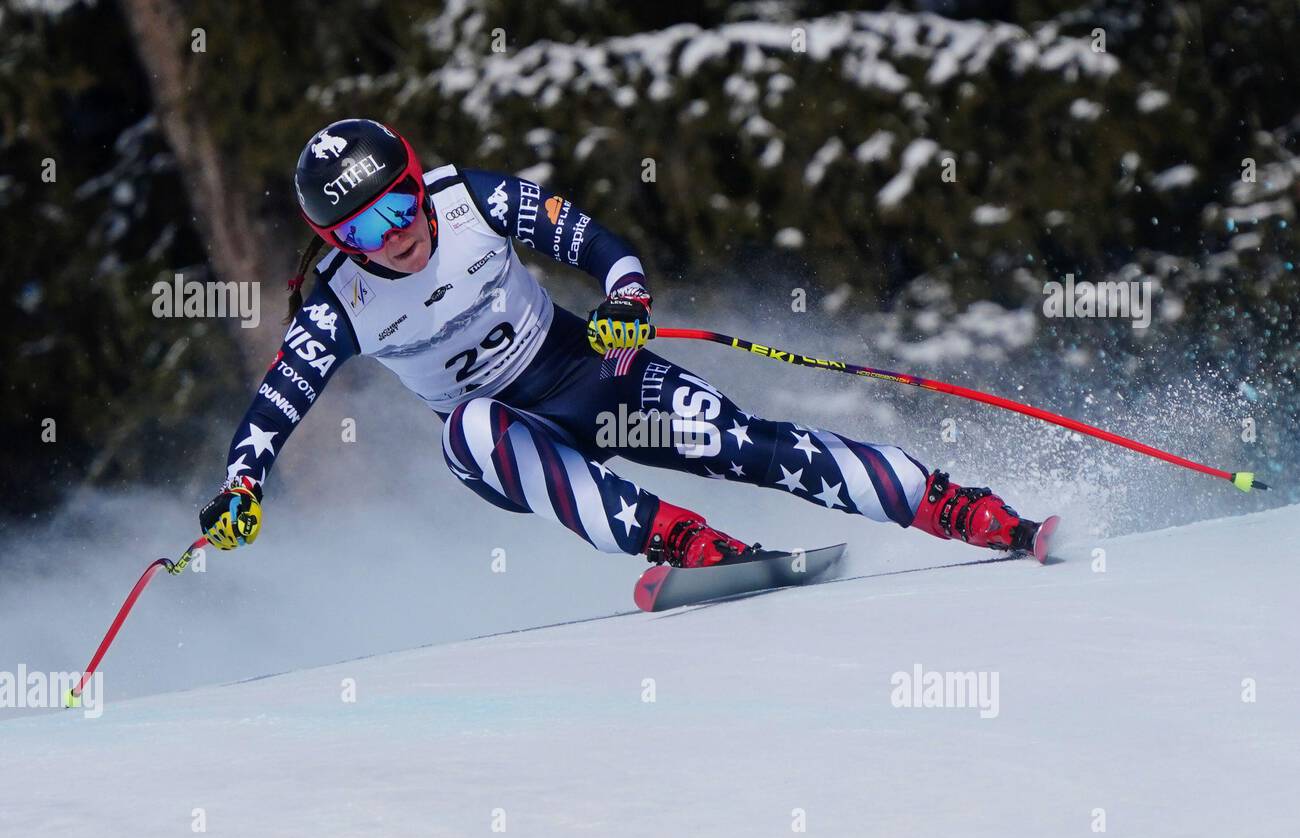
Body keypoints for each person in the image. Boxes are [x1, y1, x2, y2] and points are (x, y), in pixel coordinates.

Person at [200, 118, 1048, 569]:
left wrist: (626, 299)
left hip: (591, 374)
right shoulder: (338, 303)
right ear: (338, 243)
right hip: (510, 441)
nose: (395, 234)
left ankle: (955, 507)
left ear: (420, 180)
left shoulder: (471, 201)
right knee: (463, 430)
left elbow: (599, 247)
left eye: (399, 203)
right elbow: (279, 402)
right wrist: (243, 485)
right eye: (364, 227)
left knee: (748, 445)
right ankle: (674, 539)